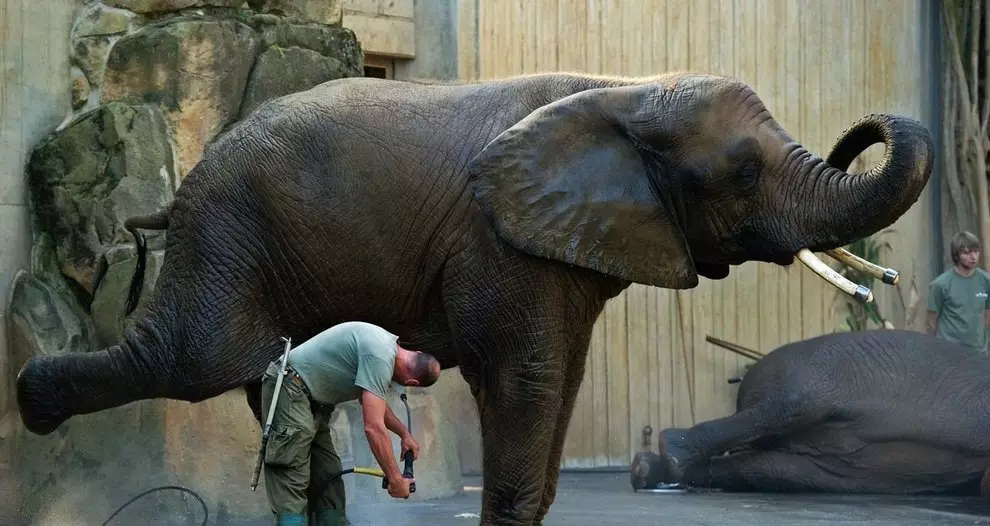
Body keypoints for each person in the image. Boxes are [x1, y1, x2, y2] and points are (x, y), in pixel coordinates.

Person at [259, 321, 442, 526]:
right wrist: (396, 479)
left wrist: (404, 434)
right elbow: (373, 427)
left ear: (416, 352)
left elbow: (372, 403)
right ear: (412, 384)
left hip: (311, 400)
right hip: (290, 388)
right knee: (292, 474)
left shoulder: (386, 347)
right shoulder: (380, 356)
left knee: (329, 475)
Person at [926, 231, 990, 353]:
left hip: (978, 352)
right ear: (956, 255)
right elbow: (931, 322)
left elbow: (987, 316)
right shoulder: (940, 285)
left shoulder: (986, 281)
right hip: (949, 351)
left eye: (976, 252)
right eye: (967, 253)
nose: (973, 257)